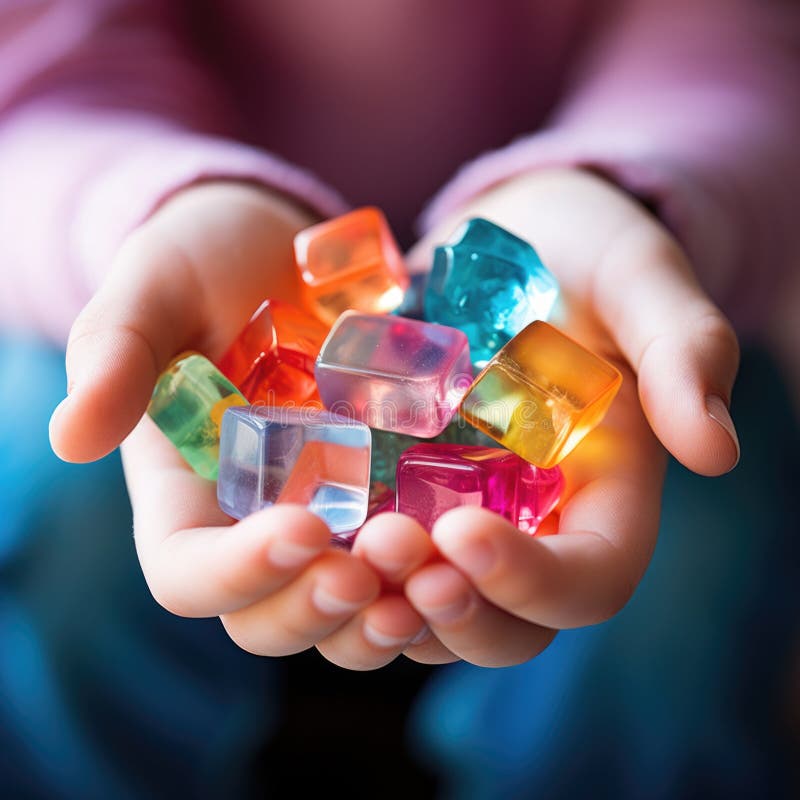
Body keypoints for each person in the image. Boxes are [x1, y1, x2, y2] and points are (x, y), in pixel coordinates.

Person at [0, 0, 798, 793]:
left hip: (634, 240)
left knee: (704, 499)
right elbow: (32, 97)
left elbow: (733, 43)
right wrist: (149, 213)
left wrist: (617, 198)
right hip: (119, 259)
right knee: (61, 474)